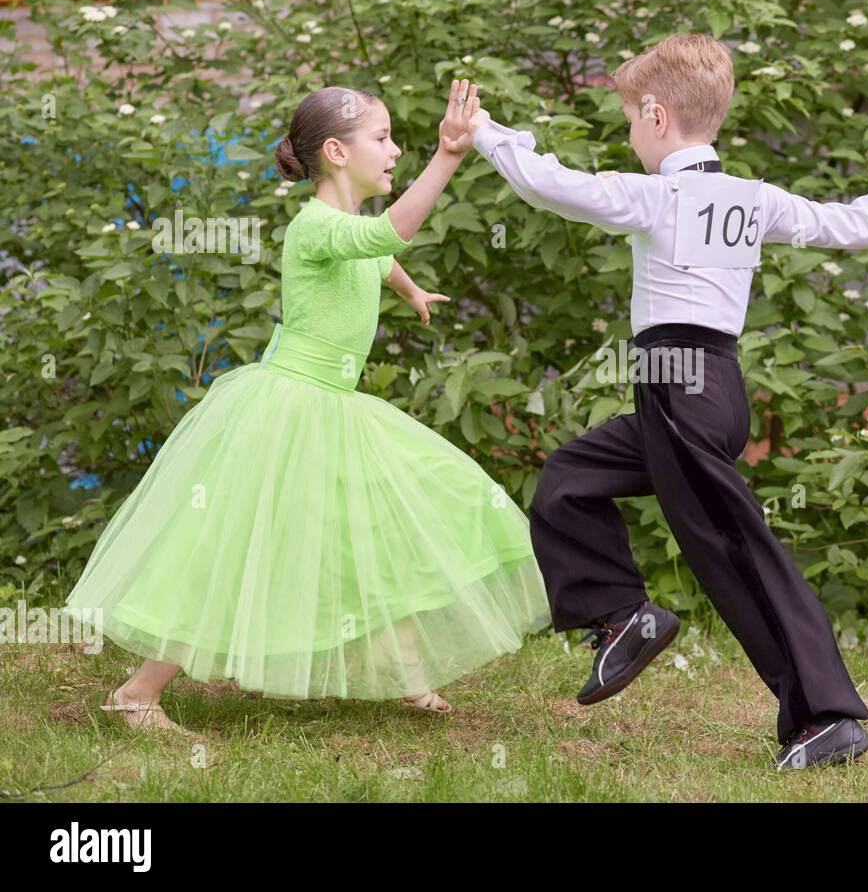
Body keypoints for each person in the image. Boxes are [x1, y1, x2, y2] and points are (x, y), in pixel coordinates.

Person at [465, 34, 868, 768]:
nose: (626, 135)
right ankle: (625, 618)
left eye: (626, 119)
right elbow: (863, 223)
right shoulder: (754, 199)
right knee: (570, 481)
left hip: (682, 391)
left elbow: (553, 183)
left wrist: (483, 131)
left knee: (739, 558)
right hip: (703, 393)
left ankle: (827, 717)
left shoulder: (659, 195)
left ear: (655, 114)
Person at [65, 80, 550, 734]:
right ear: (336, 152)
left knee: (377, 531)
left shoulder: (343, 229)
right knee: (235, 547)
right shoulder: (316, 226)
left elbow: (378, 258)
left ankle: (404, 673)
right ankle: (136, 694)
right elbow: (388, 235)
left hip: (334, 406)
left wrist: (409, 291)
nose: (394, 149)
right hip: (289, 407)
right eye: (381, 138)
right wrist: (448, 157)